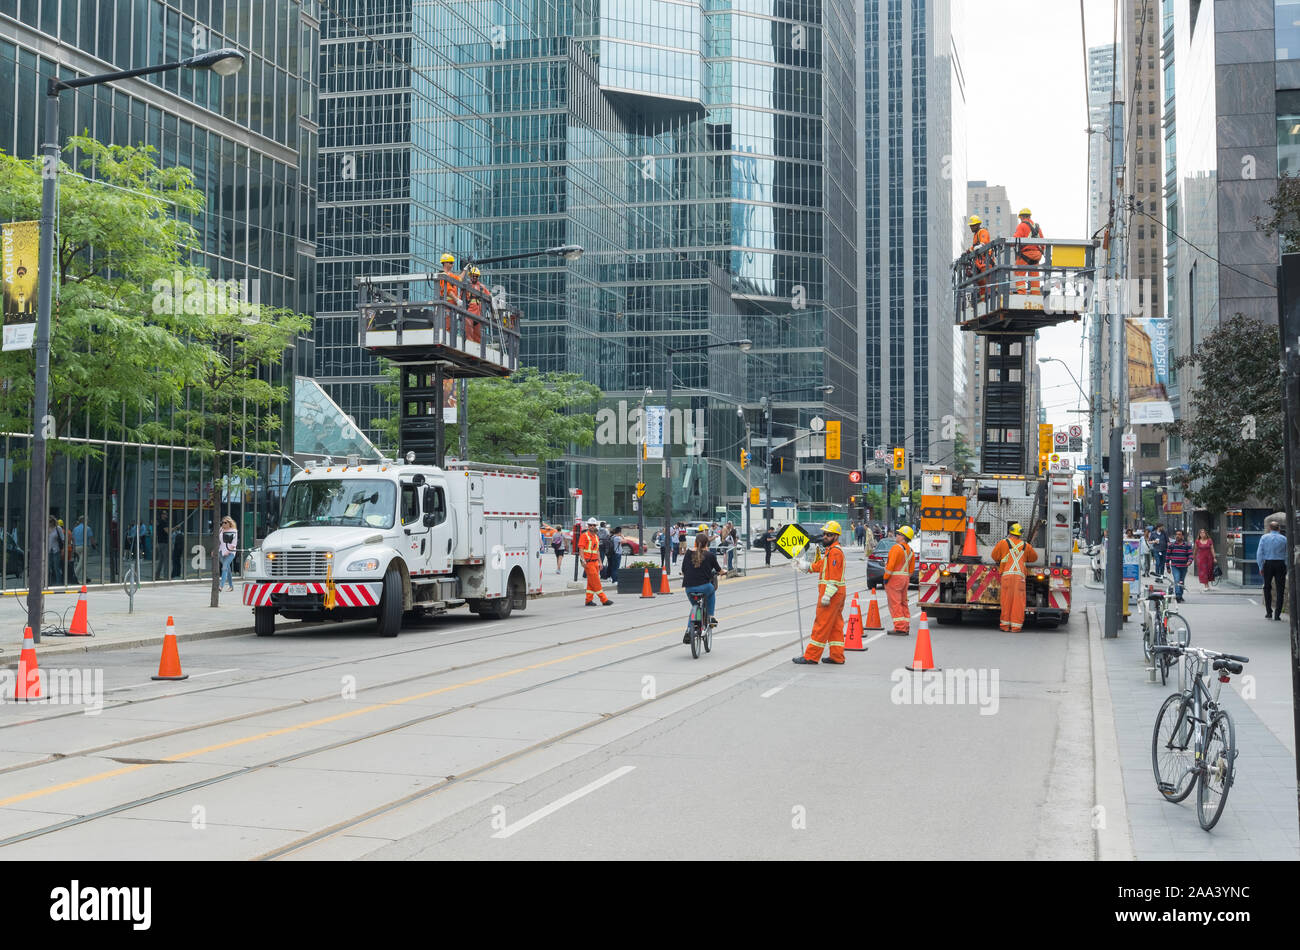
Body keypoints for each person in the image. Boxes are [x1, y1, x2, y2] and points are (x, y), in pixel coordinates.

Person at [792, 521, 848, 664]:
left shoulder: (835, 552)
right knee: (835, 625)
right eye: (824, 534)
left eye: (828, 535)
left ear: (836, 536)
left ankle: (811, 656)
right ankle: (837, 656)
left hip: (831, 595)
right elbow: (821, 566)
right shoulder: (831, 551)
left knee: (821, 624)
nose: (825, 537)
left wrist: (827, 595)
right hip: (836, 594)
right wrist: (803, 565)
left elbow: (834, 577)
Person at [990, 522, 1038, 632]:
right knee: (1018, 602)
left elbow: (994, 556)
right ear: (1020, 534)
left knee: (1006, 601)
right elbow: (1034, 558)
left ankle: (1005, 626)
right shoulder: (1026, 546)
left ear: (1010, 532)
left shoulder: (1003, 543)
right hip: (1019, 578)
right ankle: (1016, 627)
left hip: (1006, 576)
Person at [681, 532, 726, 641]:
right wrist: (723, 572)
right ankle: (710, 616)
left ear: (695, 542)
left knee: (694, 606)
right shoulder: (710, 555)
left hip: (689, 588)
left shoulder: (688, 553)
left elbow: (683, 570)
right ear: (707, 543)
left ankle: (688, 630)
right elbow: (719, 570)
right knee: (711, 591)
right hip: (705, 587)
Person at [884, 526, 917, 635]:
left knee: (895, 604)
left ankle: (900, 628)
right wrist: (904, 577)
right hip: (905, 579)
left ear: (903, 537)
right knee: (903, 603)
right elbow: (911, 570)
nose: (896, 534)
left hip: (894, 579)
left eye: (898, 533)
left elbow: (890, 567)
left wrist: (885, 579)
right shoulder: (911, 551)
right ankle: (905, 626)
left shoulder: (896, 548)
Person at [1257, 520, 1287, 621]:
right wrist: (1285, 565)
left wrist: (1261, 566)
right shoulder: (1284, 539)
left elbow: (1259, 553)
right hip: (1280, 564)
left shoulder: (1264, 538)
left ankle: (1269, 612)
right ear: (1279, 528)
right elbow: (1287, 554)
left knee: (1267, 587)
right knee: (1280, 589)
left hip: (1268, 564)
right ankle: (1277, 614)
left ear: (1270, 528)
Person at [580, 517, 612, 606]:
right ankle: (604, 599)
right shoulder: (584, 535)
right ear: (588, 526)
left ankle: (588, 600)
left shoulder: (596, 537)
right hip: (588, 562)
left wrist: (600, 562)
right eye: (590, 525)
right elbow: (581, 549)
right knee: (596, 581)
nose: (592, 527)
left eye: (594, 525)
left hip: (595, 562)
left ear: (596, 526)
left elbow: (597, 551)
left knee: (591, 583)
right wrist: (582, 560)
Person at [1012, 207, 1044, 294]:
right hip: (1037, 255)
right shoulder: (1037, 227)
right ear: (1029, 216)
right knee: (1034, 274)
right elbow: (1043, 242)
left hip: (1026, 254)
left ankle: (1021, 292)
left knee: (1019, 271)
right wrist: (1041, 252)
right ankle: (1036, 293)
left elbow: (1015, 239)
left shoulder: (1022, 225)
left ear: (1021, 217)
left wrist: (1009, 244)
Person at [967, 215, 992, 300]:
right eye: (971, 226)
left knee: (988, 282)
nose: (971, 227)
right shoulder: (976, 235)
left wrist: (973, 249)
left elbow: (982, 244)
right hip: (979, 264)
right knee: (981, 283)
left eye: (973, 225)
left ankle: (991, 297)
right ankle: (983, 300)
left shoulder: (983, 231)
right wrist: (968, 251)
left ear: (978, 225)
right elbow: (974, 247)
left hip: (985, 262)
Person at [1165, 529, 1194, 602]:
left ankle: (1180, 595)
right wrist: (1168, 567)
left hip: (1184, 566)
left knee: (1181, 581)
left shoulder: (1187, 545)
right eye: (1176, 534)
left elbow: (1190, 555)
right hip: (1175, 566)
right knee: (1177, 580)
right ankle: (1178, 596)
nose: (1177, 536)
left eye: (1179, 534)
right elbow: (1167, 557)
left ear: (1183, 536)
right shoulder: (1171, 545)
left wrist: (1189, 561)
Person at [463, 266, 488, 343]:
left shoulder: (482, 287)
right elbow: (462, 297)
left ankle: (477, 349)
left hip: (479, 315)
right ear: (470, 276)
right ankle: (469, 348)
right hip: (469, 313)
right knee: (469, 334)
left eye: (476, 276)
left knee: (478, 336)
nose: (474, 278)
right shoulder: (466, 285)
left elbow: (488, 296)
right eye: (473, 276)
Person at [71, 516, 96, 584]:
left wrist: (74, 548)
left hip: (77, 547)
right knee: (81, 563)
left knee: (82, 562)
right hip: (84, 547)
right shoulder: (88, 528)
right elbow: (91, 539)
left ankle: (86, 577)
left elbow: (73, 539)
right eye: (87, 520)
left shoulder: (75, 529)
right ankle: (74, 576)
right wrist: (94, 545)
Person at [218, 516, 238, 592]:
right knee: (227, 569)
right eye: (222, 522)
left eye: (225, 522)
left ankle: (221, 586)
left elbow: (234, 544)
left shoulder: (234, 531)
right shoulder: (221, 530)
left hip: (230, 553)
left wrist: (227, 551)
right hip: (221, 552)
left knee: (224, 567)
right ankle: (231, 586)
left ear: (230, 523)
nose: (223, 524)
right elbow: (219, 542)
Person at [1194, 528, 1217, 592]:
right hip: (1201, 559)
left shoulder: (1209, 540)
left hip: (1209, 558)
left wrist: (1214, 557)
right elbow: (1195, 550)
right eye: (1201, 533)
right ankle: (1206, 586)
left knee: (1209, 571)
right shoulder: (1197, 541)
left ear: (1205, 533)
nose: (1202, 534)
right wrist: (1194, 558)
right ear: (1199, 534)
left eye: (1203, 532)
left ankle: (1207, 585)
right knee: (1203, 572)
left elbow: (1212, 549)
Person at [47, 516, 66, 586]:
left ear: (53, 522)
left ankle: (59, 582)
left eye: (51, 522)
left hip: (56, 550)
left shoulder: (58, 529)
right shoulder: (46, 529)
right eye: (48, 522)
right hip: (48, 550)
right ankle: (48, 582)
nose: (49, 523)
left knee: (56, 567)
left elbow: (62, 539)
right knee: (48, 567)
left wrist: (63, 550)